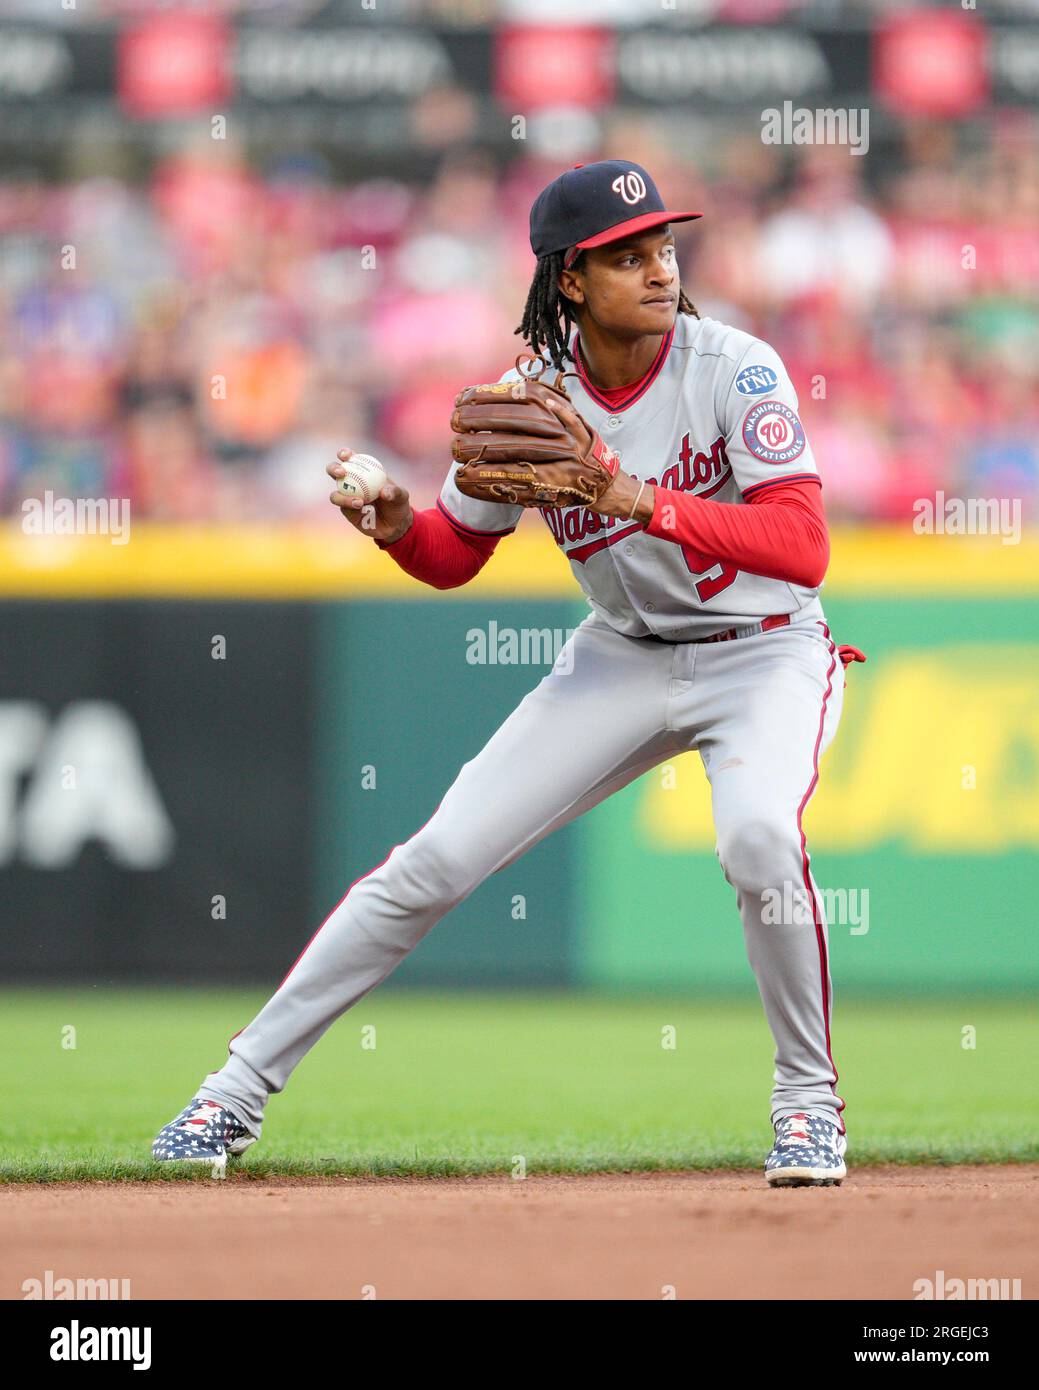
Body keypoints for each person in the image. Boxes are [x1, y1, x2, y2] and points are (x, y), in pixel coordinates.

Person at [153, 161, 862, 1185]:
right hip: (618, 656)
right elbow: (453, 555)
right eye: (628, 256)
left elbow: (802, 548)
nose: (659, 270)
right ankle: (230, 1093)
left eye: (662, 248)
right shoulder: (528, 398)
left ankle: (807, 1106)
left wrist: (635, 498)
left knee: (756, 837)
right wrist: (399, 527)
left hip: (764, 651)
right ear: (568, 280)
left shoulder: (733, 366)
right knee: (433, 861)